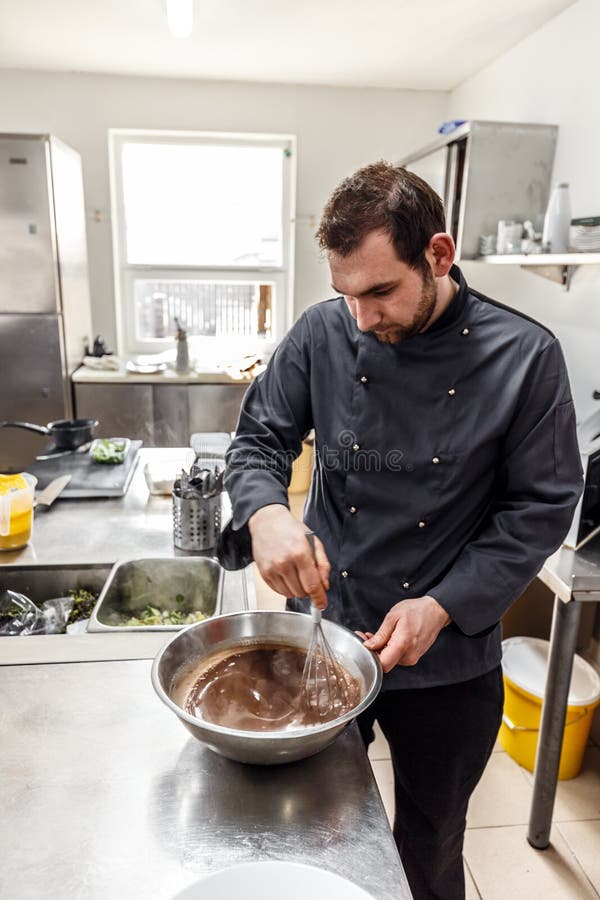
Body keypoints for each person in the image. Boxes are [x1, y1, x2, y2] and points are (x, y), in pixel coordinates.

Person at [217, 161, 583, 900]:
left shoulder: (525, 356)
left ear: (438, 256)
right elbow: (258, 439)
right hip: (324, 636)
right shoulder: (323, 333)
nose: (361, 317)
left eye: (381, 291)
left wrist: (442, 604)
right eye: (345, 294)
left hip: (446, 664)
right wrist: (267, 514)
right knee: (310, 828)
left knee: (431, 841)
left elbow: (539, 507)